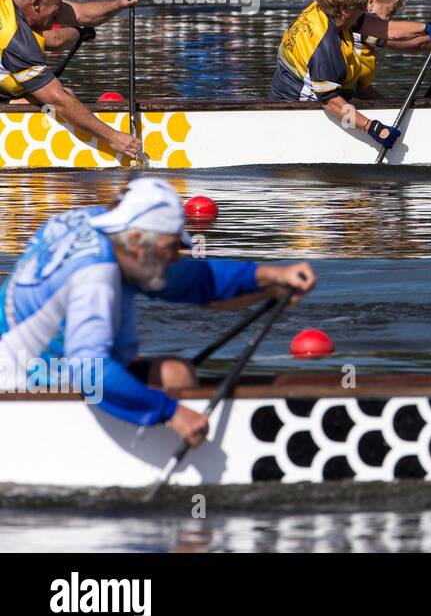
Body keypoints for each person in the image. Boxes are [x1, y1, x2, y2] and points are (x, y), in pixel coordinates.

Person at [0, 177, 317, 449]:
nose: (176, 259)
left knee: (174, 374)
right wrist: (172, 414)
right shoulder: (95, 278)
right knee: (173, 382)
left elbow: (194, 283)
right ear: (138, 241)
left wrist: (271, 276)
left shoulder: (93, 224)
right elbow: (88, 371)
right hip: (23, 389)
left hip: (48, 367)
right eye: (169, 248)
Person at [269, 0, 431, 151]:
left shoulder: (326, 9)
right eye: (362, 6)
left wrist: (426, 28)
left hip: (310, 101)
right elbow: (330, 102)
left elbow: (386, 30)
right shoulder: (323, 45)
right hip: (298, 111)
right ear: (345, 8)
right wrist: (372, 128)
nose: (366, 9)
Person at [0, 0, 143, 161]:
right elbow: (58, 100)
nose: (60, 10)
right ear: (36, 4)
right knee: (63, 97)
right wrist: (113, 137)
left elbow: (81, 14)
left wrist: (118, 4)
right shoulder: (15, 42)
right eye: (58, 4)